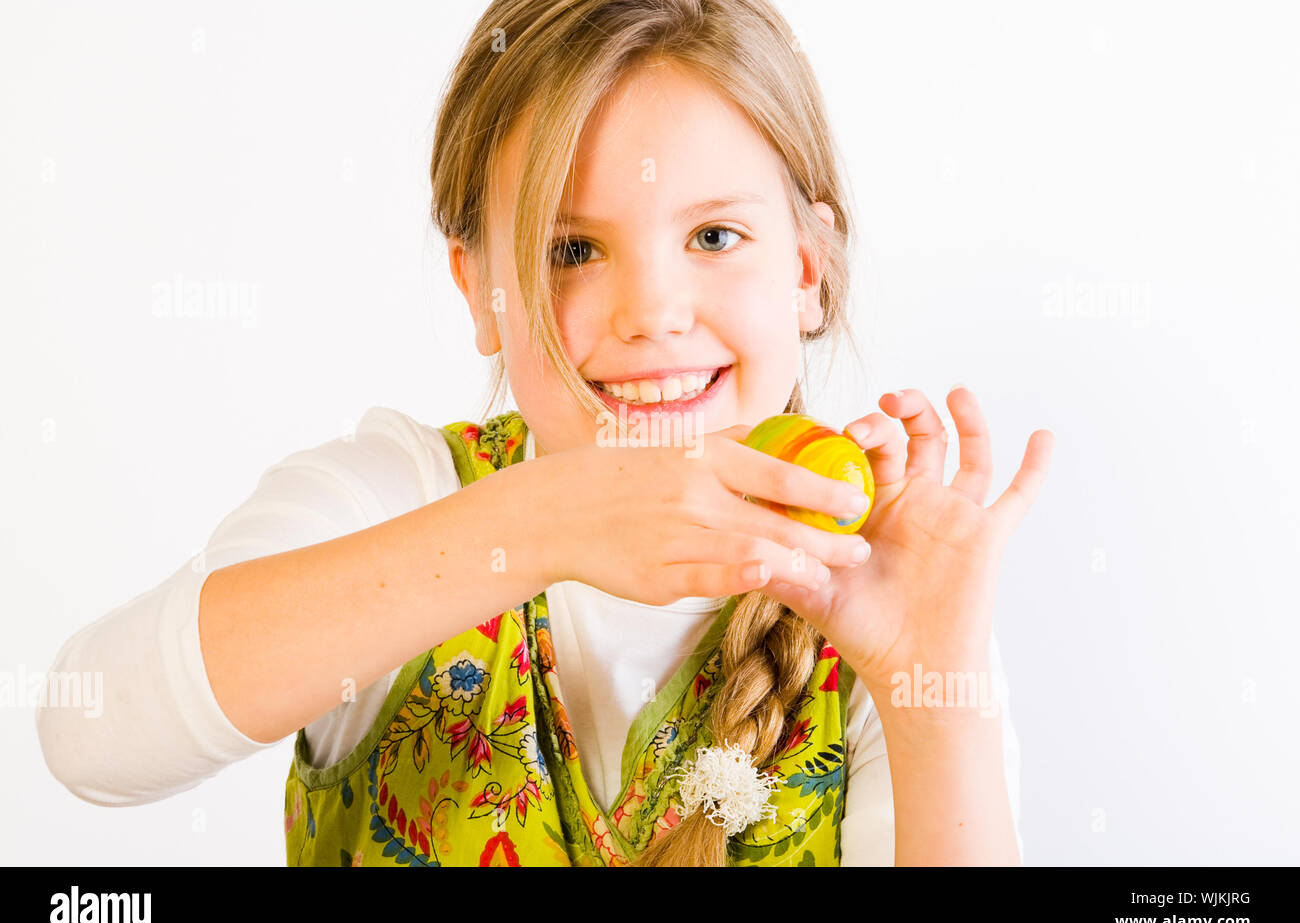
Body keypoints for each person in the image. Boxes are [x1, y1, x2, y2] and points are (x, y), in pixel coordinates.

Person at [36, 0, 1051, 867]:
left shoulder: (881, 583)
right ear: (480, 291)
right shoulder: (400, 493)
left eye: (713, 235)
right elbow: (88, 734)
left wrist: (935, 701)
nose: (652, 310)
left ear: (805, 268)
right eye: (571, 248)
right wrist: (539, 522)